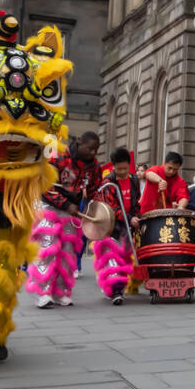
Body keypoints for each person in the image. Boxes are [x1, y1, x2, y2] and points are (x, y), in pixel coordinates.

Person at [26, 131, 102, 308]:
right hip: (48, 206)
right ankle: (42, 293)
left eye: (96, 149)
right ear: (80, 143)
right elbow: (44, 183)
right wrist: (66, 204)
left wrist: (92, 209)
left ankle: (61, 292)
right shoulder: (59, 155)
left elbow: (94, 190)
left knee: (67, 252)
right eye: (90, 148)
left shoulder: (95, 167)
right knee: (48, 248)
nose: (93, 153)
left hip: (71, 211)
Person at [92, 147, 140, 305]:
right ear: (113, 166)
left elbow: (136, 202)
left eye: (125, 168)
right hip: (111, 226)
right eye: (119, 169)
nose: (122, 172)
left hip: (128, 226)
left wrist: (136, 216)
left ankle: (118, 286)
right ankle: (115, 290)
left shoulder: (134, 180)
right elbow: (111, 208)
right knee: (112, 257)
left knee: (124, 258)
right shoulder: (108, 183)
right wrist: (129, 218)